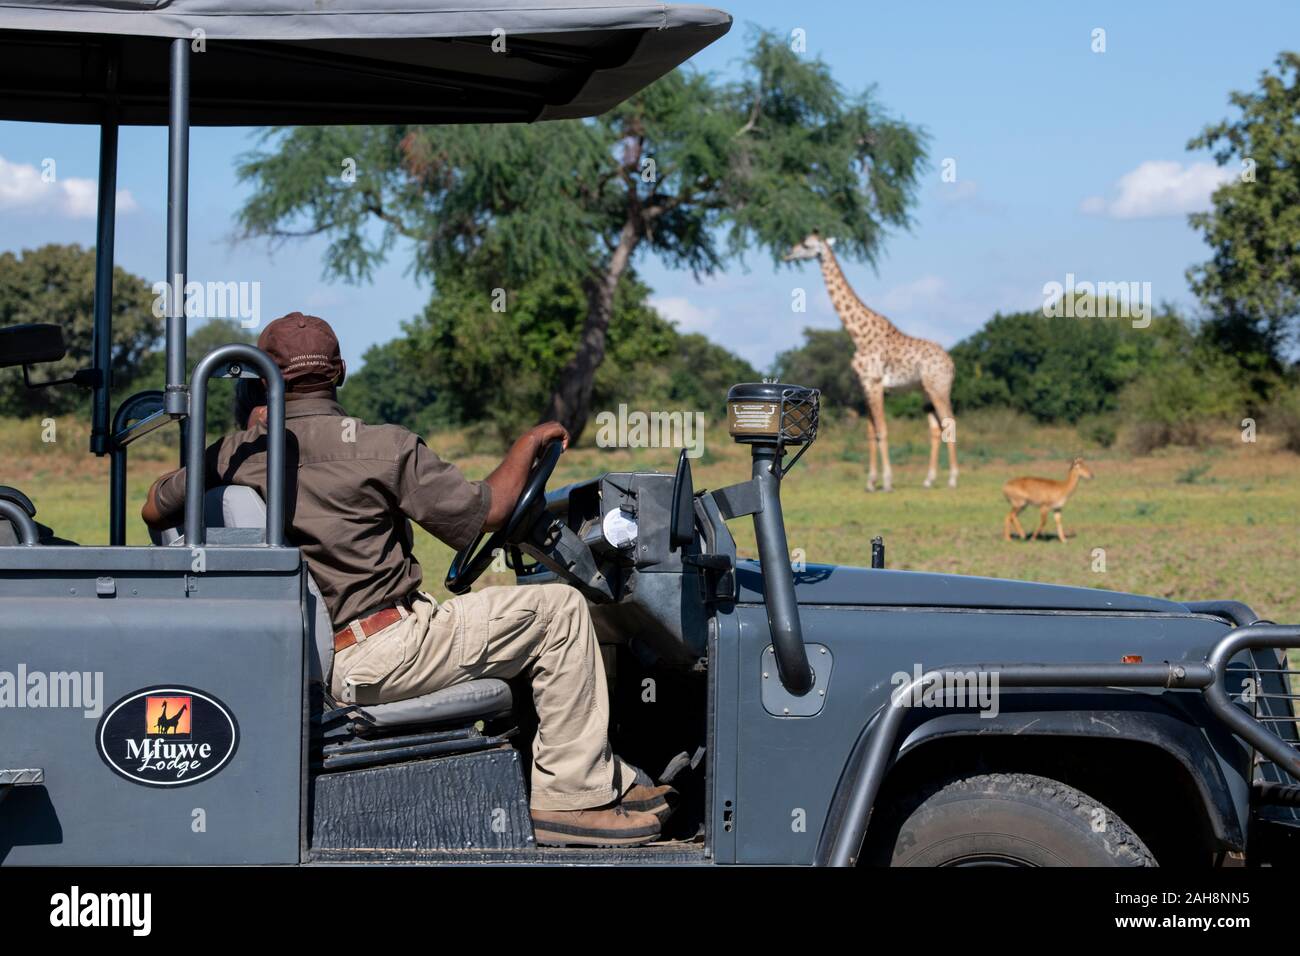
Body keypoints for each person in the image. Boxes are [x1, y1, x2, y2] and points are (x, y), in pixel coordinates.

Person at [142, 311, 670, 846]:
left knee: (514, 619)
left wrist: (227, 456)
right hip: (384, 651)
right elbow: (484, 513)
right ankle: (569, 802)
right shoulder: (384, 447)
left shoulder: (235, 454)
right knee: (558, 610)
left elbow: (152, 508)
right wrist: (526, 443)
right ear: (341, 371)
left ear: (264, 381)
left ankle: (609, 779)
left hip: (335, 652)